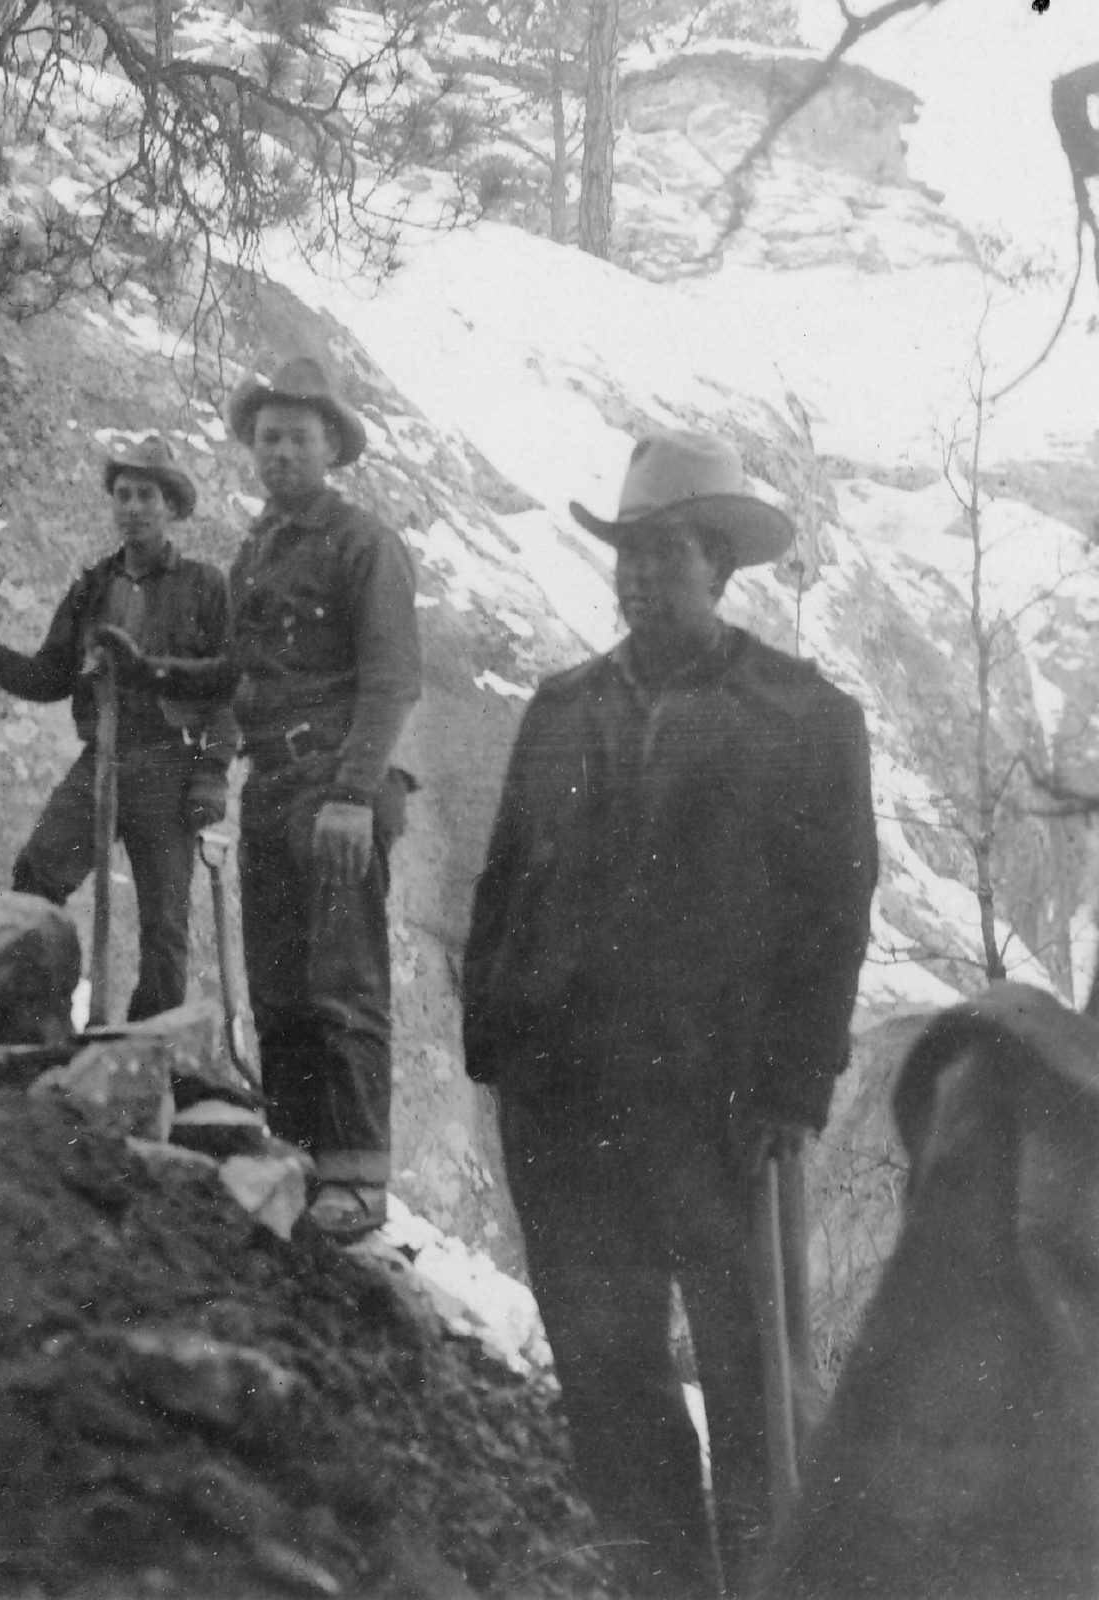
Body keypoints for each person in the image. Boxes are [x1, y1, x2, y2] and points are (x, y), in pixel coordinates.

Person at [461, 430, 877, 1596]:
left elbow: (831, 918)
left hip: (721, 1108)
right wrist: (495, 1033)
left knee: (753, 1382)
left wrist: (795, 1085)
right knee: (607, 1375)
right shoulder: (560, 707)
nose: (640, 577)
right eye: (628, 556)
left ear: (720, 566)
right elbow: (505, 880)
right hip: (568, 1104)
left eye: (665, 555)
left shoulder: (805, 717)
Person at [219, 357, 421, 1242]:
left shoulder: (363, 543)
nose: (282, 453)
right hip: (267, 790)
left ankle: (358, 1177)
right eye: (269, 439)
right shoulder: (255, 549)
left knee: (343, 984)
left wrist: (351, 793)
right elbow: (233, 674)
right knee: (280, 988)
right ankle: (297, 1154)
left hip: (334, 792)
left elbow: (391, 680)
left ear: (331, 446)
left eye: (299, 438)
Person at [0, 435, 234, 1021]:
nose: (132, 507)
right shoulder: (91, 589)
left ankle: (142, 1059)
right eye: (123, 495)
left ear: (172, 507)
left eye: (147, 495)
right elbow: (48, 676)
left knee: (164, 929)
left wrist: (211, 776)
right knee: (37, 875)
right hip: (99, 764)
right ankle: (26, 1020)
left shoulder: (205, 589)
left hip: (167, 769)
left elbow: (227, 688)